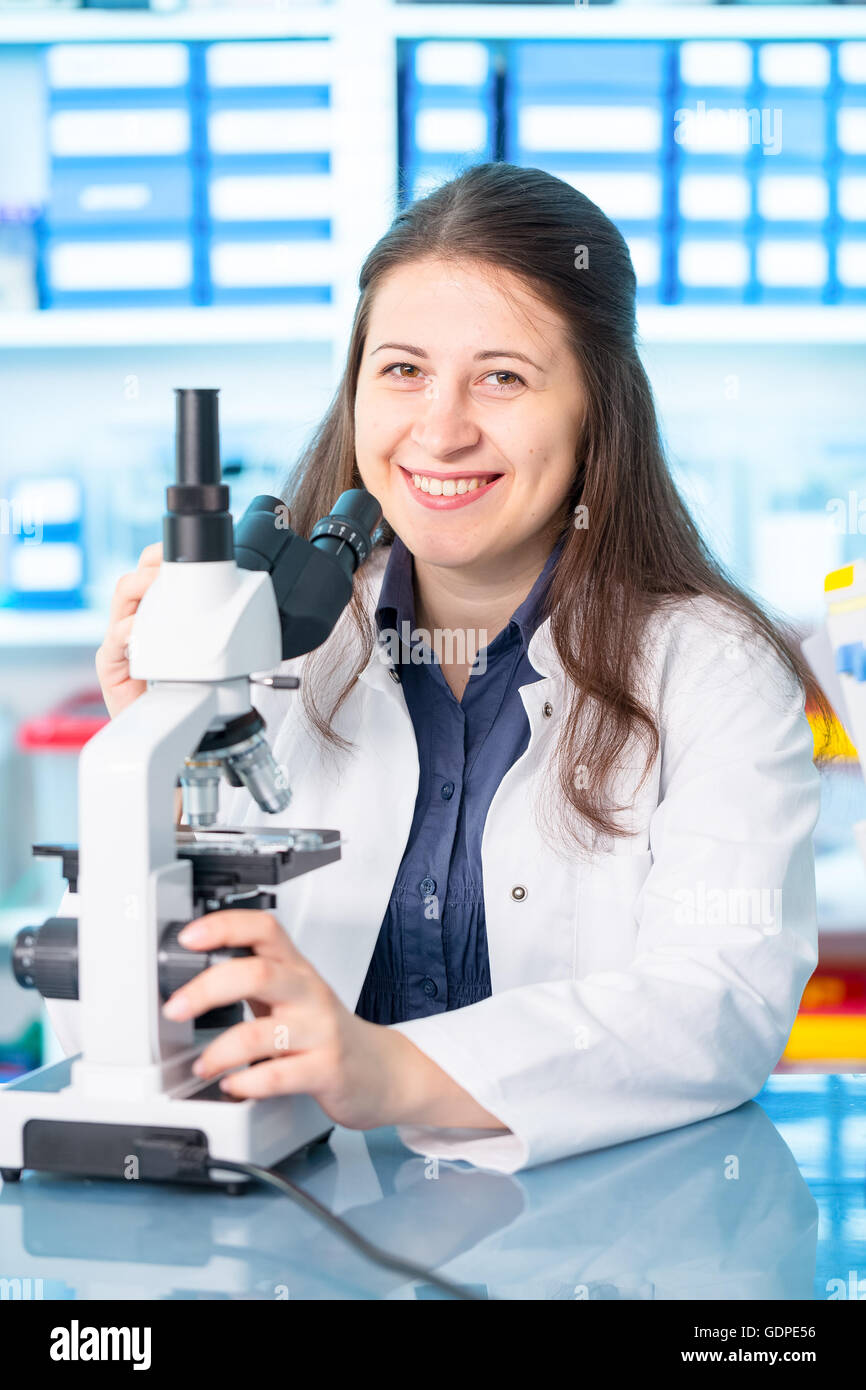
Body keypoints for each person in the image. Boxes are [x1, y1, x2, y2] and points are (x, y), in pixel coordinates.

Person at [91, 163, 830, 1174]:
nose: (438, 430)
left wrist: (386, 1067)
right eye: (401, 370)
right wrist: (154, 742)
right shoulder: (265, 639)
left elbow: (718, 1003)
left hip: (609, 1241)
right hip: (304, 1218)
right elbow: (185, 973)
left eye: (502, 376)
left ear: (593, 412)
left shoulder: (710, 669)